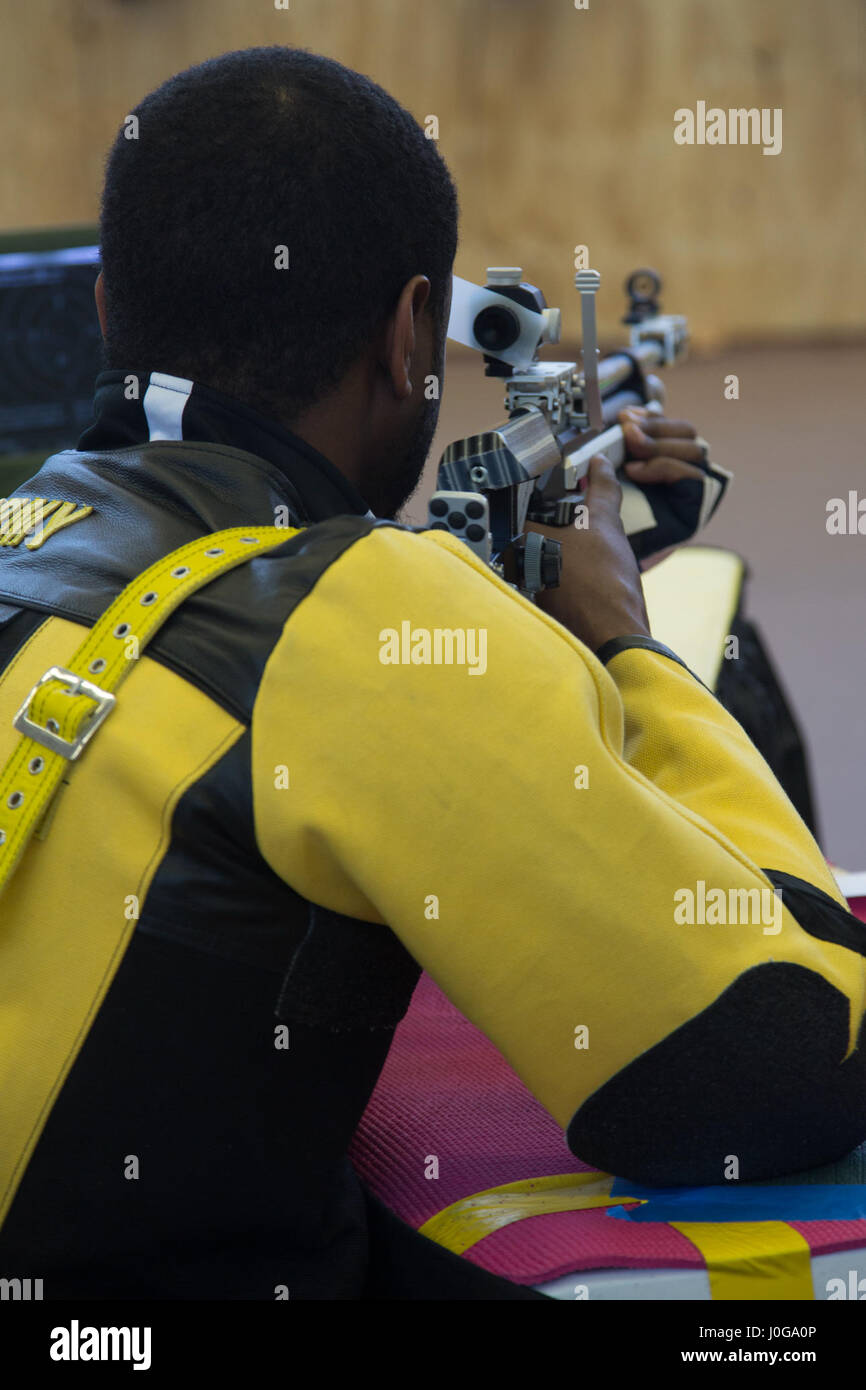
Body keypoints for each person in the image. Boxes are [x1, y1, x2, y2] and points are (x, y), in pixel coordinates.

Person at [0, 46, 863, 1302]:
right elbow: (774, 1062)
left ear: (104, 312)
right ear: (413, 331)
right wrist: (621, 633)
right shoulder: (360, 612)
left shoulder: (30, 534)